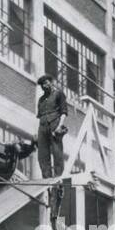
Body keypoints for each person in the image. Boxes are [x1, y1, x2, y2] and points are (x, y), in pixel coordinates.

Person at [35, 74, 69, 208]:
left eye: (46, 83)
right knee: (42, 156)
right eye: (42, 84)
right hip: (42, 127)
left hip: (54, 124)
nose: (44, 85)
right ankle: (48, 182)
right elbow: (39, 117)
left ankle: (58, 180)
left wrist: (60, 126)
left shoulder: (59, 94)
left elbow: (64, 112)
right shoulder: (41, 100)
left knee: (57, 153)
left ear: (51, 82)